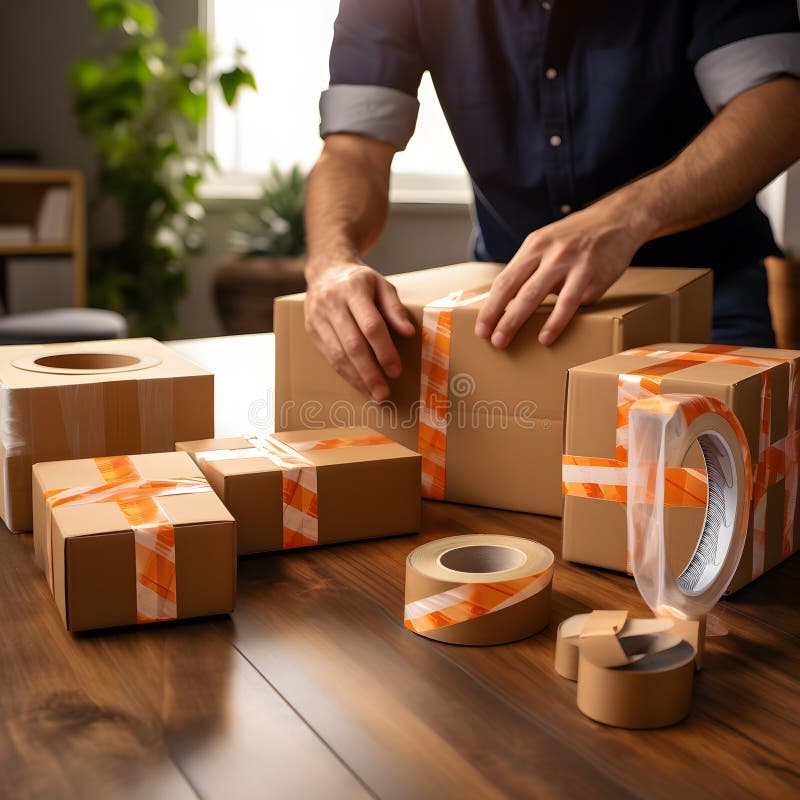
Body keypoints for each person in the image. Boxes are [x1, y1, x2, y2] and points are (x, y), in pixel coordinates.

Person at [303, 0, 800, 402]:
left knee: (728, 513)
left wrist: (628, 216)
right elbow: (354, 149)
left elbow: (779, 103)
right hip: (515, 316)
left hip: (704, 302)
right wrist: (329, 261)